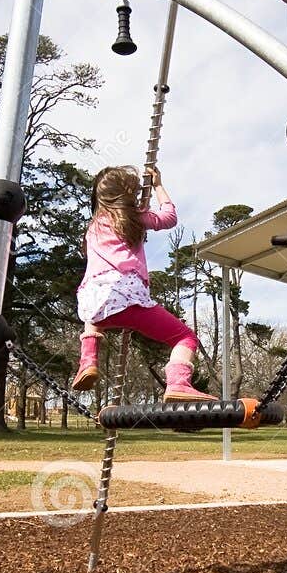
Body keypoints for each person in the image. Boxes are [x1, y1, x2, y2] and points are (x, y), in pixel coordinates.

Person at [71, 164, 201, 401]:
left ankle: (88, 362)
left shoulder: (92, 227)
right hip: (128, 298)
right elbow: (169, 218)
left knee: (93, 318)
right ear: (126, 196)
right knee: (185, 337)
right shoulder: (134, 218)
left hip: (94, 300)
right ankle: (178, 383)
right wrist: (158, 186)